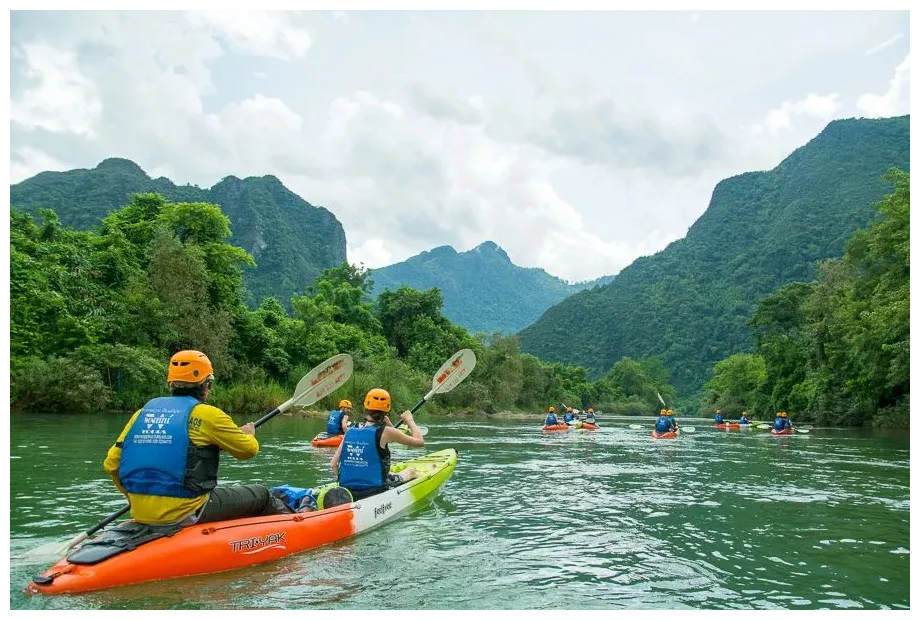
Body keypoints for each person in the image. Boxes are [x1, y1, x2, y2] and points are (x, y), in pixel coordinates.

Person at [104, 350, 292, 527]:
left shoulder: (141, 414)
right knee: (262, 495)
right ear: (206, 384)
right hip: (187, 510)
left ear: (171, 383)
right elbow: (248, 451)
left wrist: (135, 501)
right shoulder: (208, 415)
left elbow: (112, 464)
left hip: (140, 512)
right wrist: (249, 435)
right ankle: (295, 524)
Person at [331, 388, 425, 500]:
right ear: (386, 410)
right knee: (410, 471)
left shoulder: (350, 431)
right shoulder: (386, 431)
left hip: (347, 492)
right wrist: (410, 420)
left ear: (366, 407)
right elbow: (420, 442)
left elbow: (333, 464)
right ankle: (414, 475)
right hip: (375, 491)